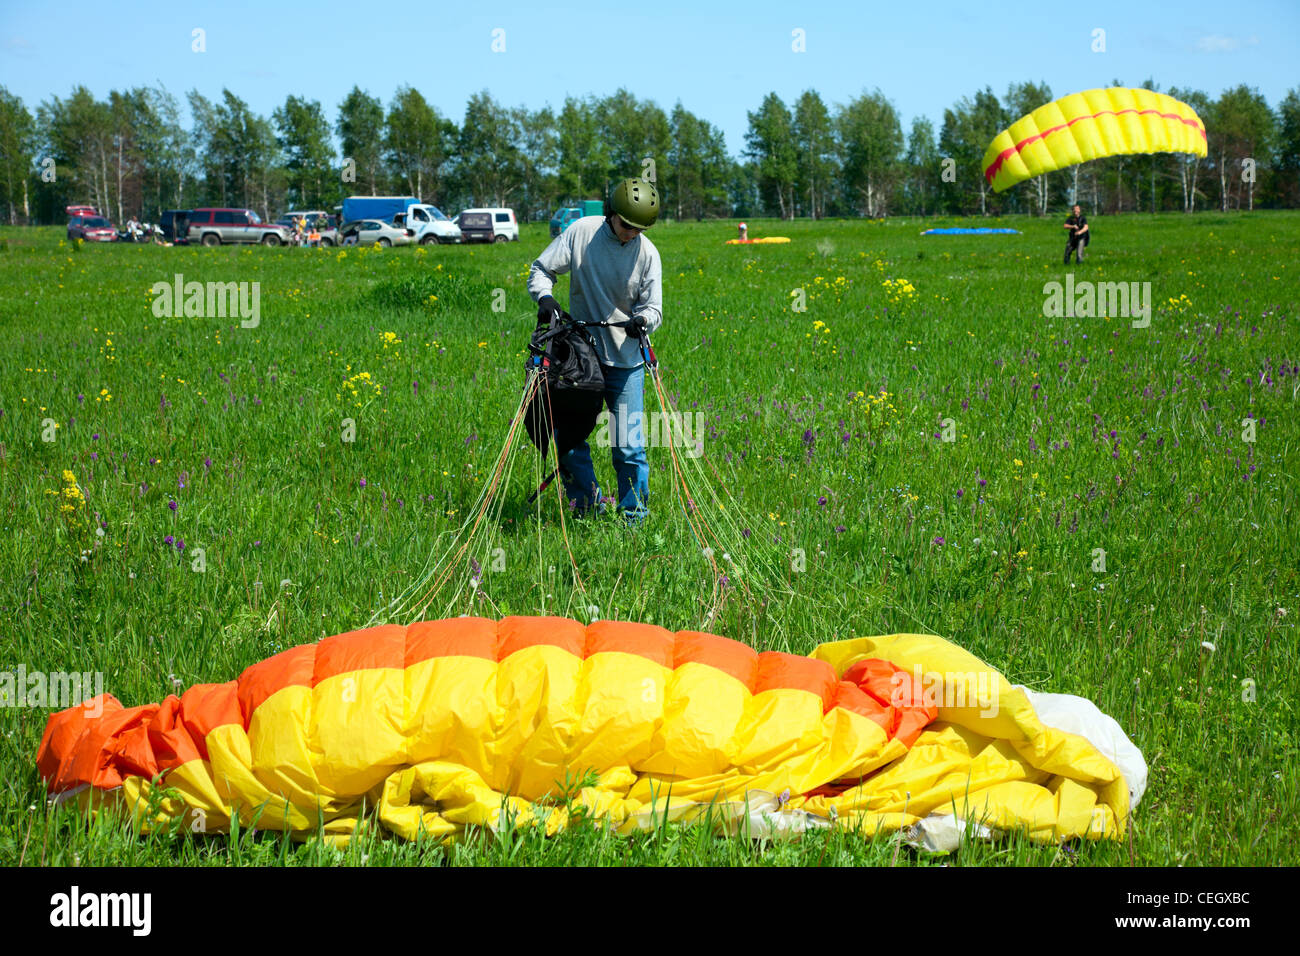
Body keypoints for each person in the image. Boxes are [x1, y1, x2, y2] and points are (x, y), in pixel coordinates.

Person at [528, 177, 663, 522]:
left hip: (625, 361)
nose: (631, 234)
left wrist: (642, 321)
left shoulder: (648, 253)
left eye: (639, 229)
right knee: (570, 441)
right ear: (610, 212)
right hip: (578, 360)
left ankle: (633, 517)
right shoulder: (581, 233)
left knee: (628, 446)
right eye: (626, 225)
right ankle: (586, 507)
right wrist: (545, 297)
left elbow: (654, 308)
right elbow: (542, 269)